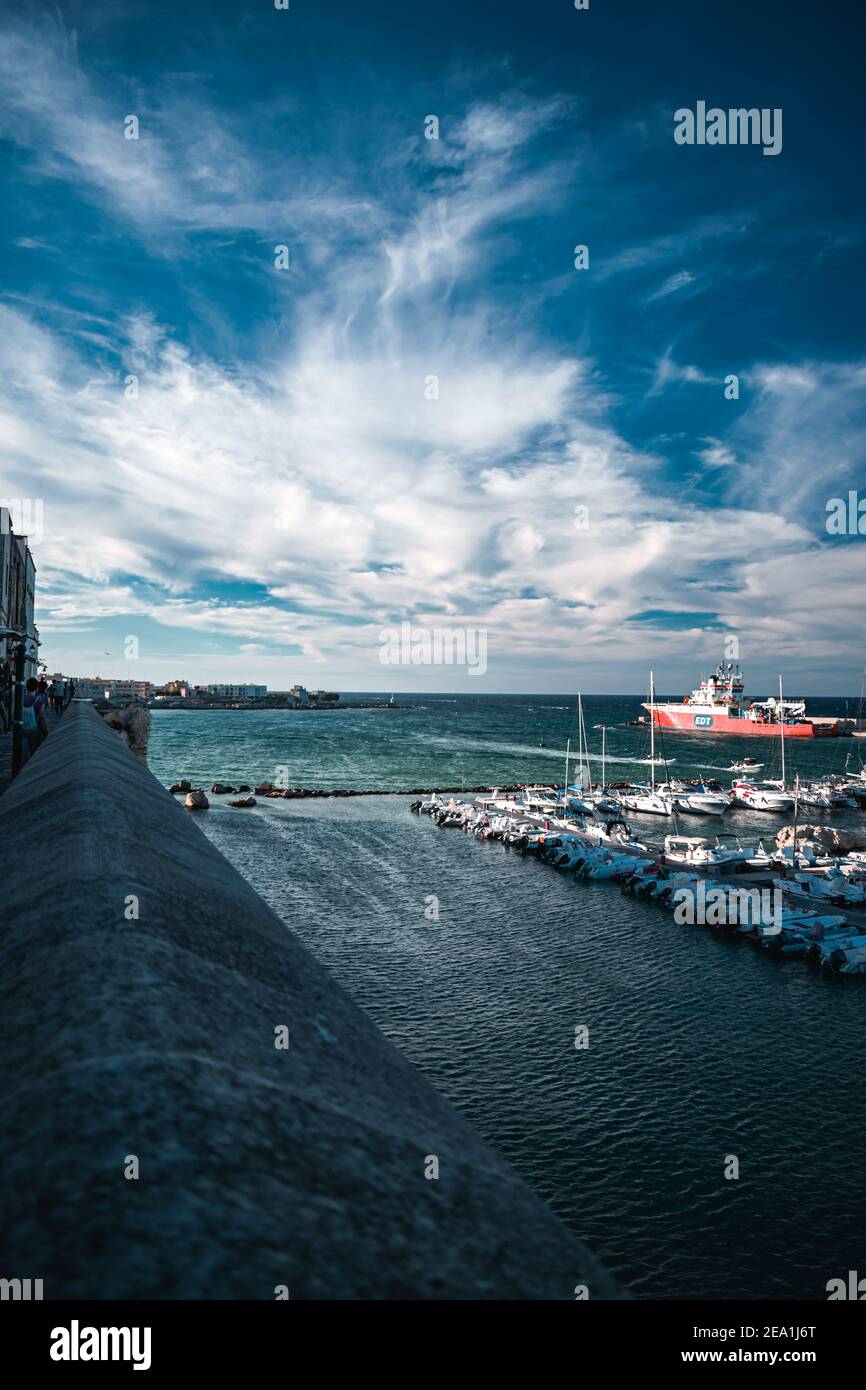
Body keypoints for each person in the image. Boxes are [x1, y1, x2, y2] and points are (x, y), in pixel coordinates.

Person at [20, 676, 48, 766]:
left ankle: (22, 770)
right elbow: (41, 717)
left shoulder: (20, 699)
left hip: (22, 728)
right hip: (34, 729)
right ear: (37, 688)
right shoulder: (38, 701)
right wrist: (45, 729)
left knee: (23, 753)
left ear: (26, 687)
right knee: (34, 753)